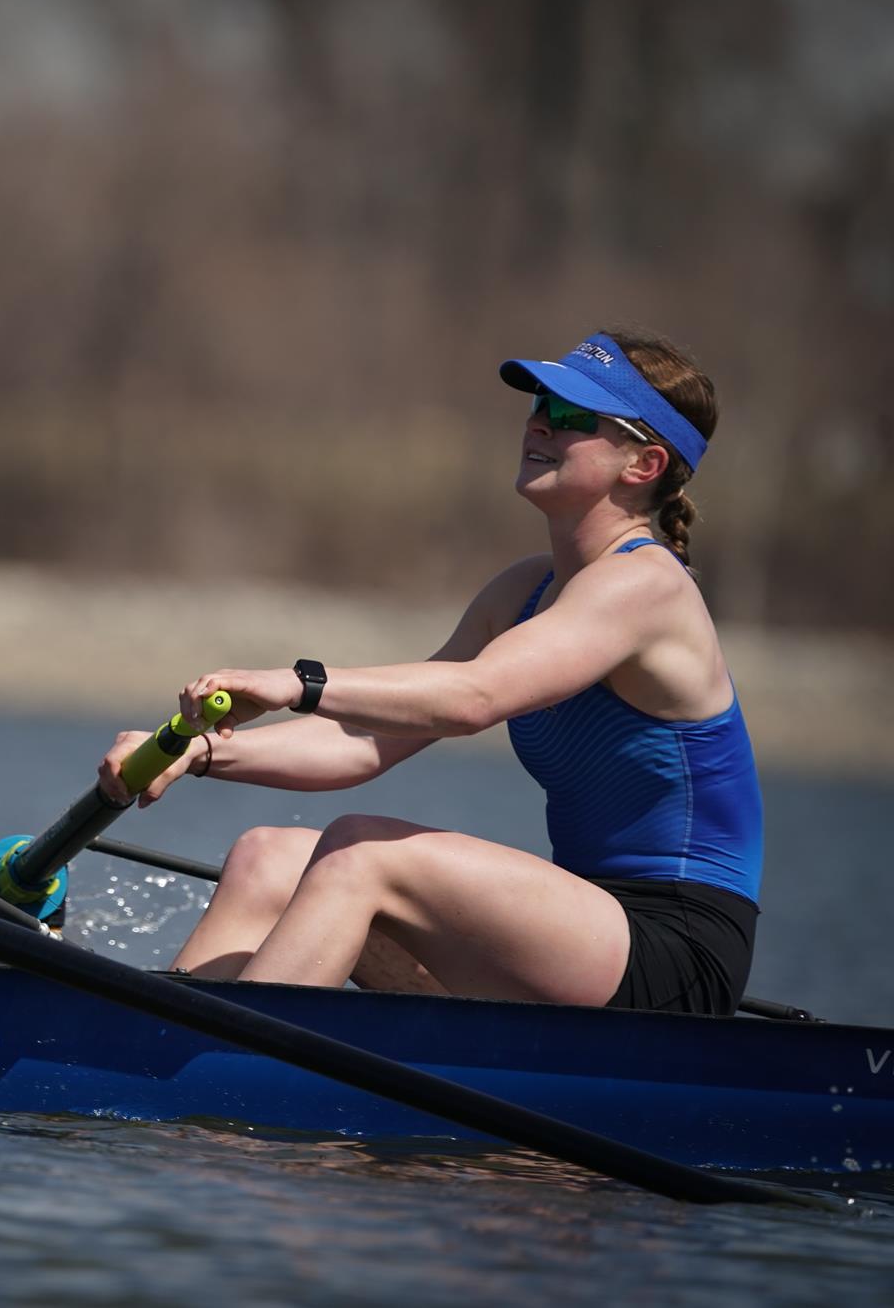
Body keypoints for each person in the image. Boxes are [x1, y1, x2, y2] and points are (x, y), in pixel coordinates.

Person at [98, 329, 761, 1014]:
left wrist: (299, 683)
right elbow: (363, 739)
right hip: (584, 927)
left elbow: (472, 697)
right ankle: (156, 1051)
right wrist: (189, 751)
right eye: (539, 403)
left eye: (570, 416)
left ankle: (217, 1073)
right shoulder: (522, 592)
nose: (539, 422)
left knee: (360, 849)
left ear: (645, 463)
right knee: (268, 856)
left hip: (675, 950)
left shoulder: (647, 586)